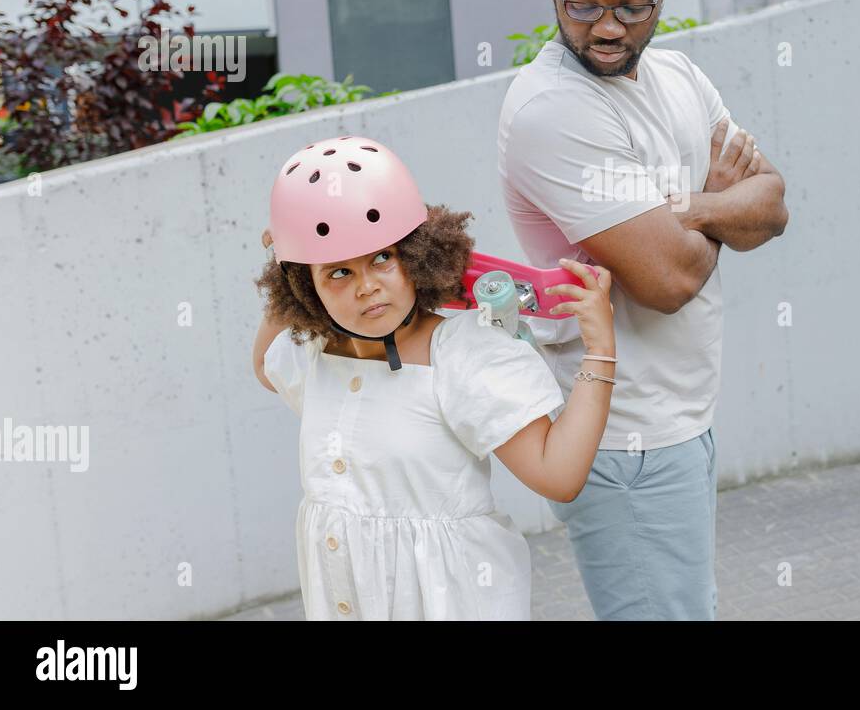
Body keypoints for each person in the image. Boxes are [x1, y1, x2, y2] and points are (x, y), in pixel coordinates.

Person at [497, 0, 789, 620]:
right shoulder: (550, 111)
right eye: (582, 2)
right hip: (624, 441)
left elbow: (774, 206)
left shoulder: (681, 78)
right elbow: (669, 277)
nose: (606, 26)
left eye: (633, 3)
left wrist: (687, 208)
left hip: (681, 419)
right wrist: (718, 204)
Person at [251, 135, 616, 619]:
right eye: (337, 272)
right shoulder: (315, 355)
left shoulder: (463, 353)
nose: (367, 287)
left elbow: (558, 474)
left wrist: (602, 353)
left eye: (383, 257)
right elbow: (265, 365)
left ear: (416, 254)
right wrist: (290, 252)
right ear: (306, 285)